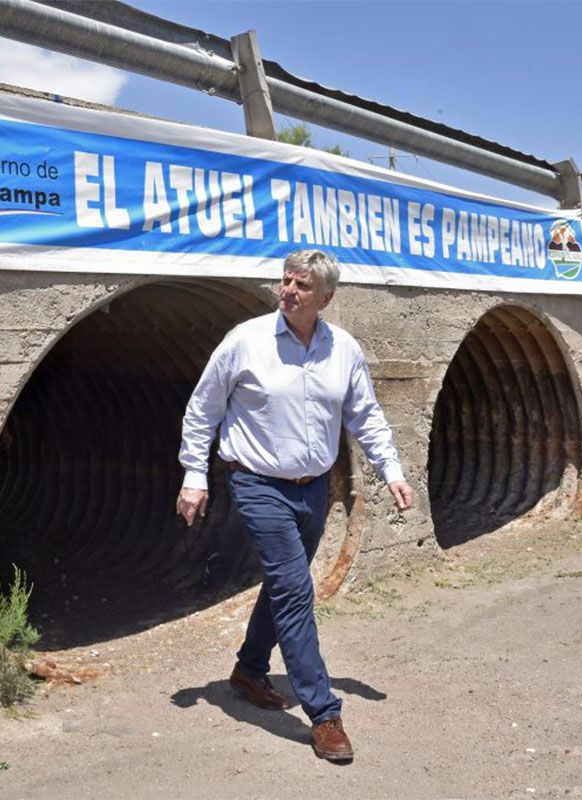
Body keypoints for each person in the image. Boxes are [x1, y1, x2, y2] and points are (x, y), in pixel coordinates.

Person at [176, 249, 414, 763]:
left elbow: (365, 414)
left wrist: (391, 470)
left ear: (325, 297)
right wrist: (195, 476)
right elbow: (202, 410)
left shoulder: (343, 348)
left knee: (285, 584)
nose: (288, 290)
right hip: (256, 482)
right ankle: (324, 714)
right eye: (286, 280)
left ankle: (248, 669)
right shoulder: (245, 341)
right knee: (294, 589)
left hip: (312, 489)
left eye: (302, 285)